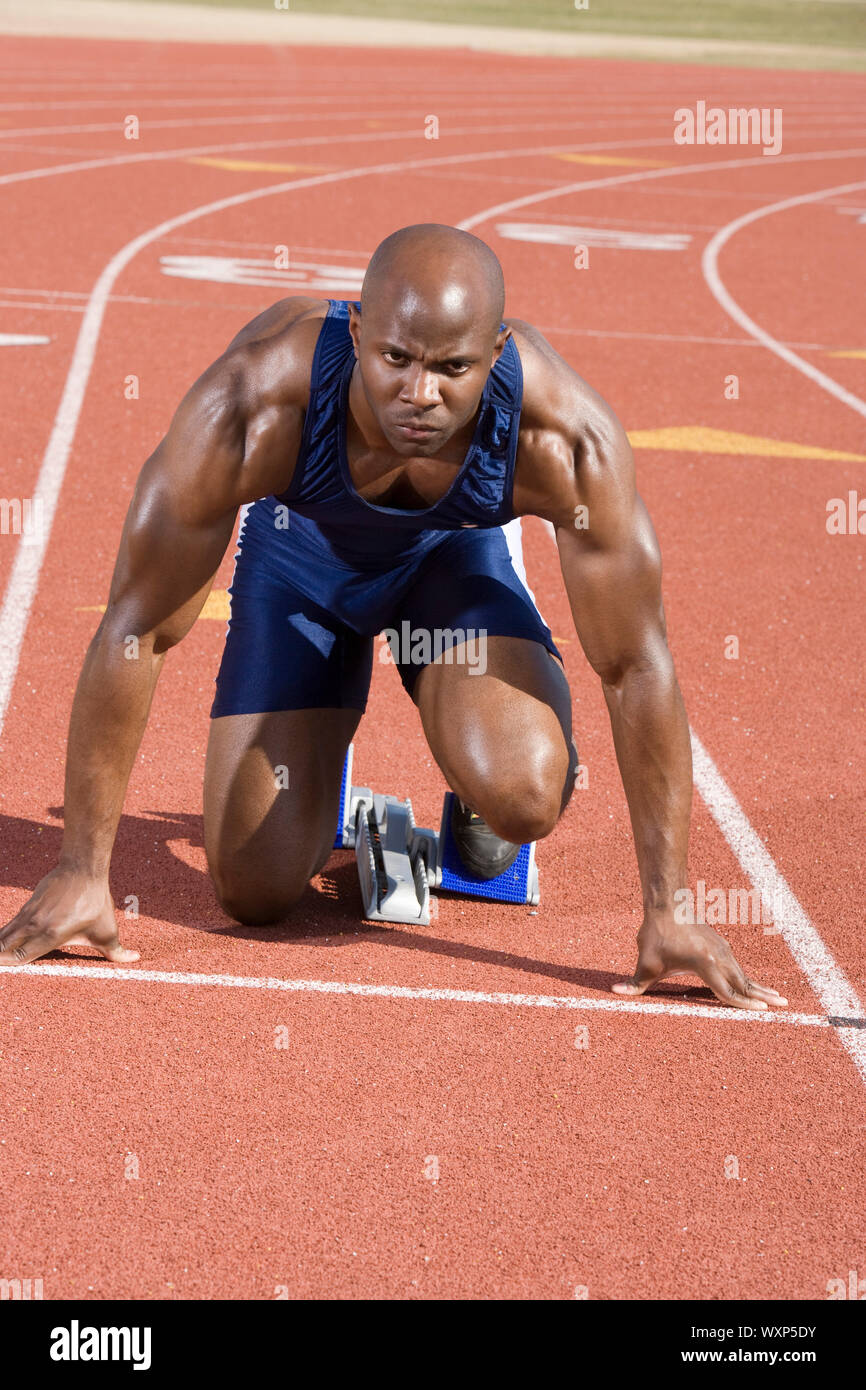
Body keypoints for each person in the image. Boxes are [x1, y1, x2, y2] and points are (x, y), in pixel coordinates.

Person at [0, 224, 786, 1012]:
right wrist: (80, 870)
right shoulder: (253, 405)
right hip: (301, 569)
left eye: (453, 369)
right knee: (255, 892)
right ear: (357, 331)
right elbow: (136, 628)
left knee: (525, 797)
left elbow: (635, 663)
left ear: (497, 352)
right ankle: (319, 749)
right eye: (395, 360)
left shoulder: (561, 439)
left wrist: (669, 909)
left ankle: (477, 780)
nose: (420, 394)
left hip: (449, 565)